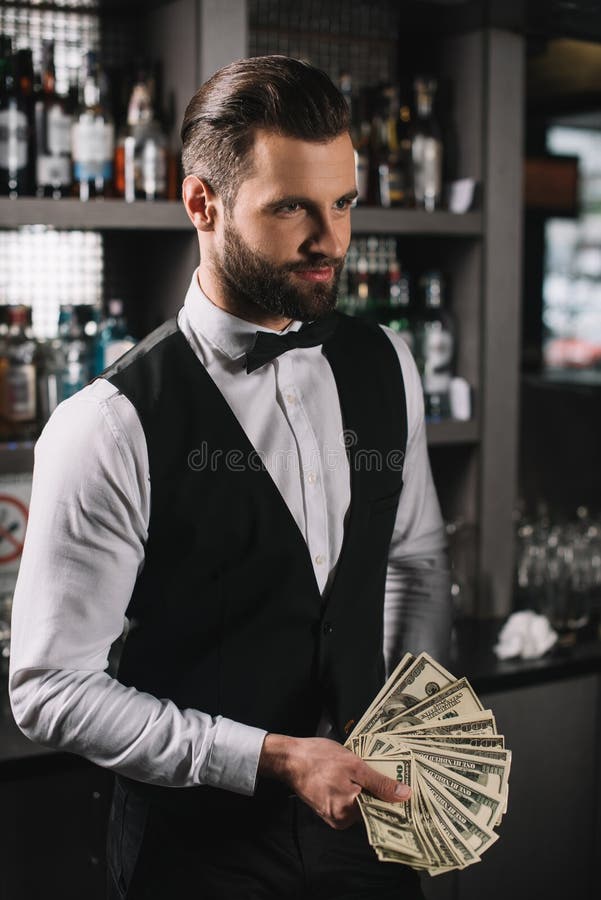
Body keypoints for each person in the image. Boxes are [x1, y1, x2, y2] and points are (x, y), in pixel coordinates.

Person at [9, 56, 450, 899]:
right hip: (197, 852)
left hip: (370, 837)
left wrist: (413, 730)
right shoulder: (104, 425)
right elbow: (49, 689)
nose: (331, 240)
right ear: (202, 204)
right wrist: (274, 758)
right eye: (291, 207)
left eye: (342, 203)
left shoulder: (385, 363)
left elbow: (415, 561)